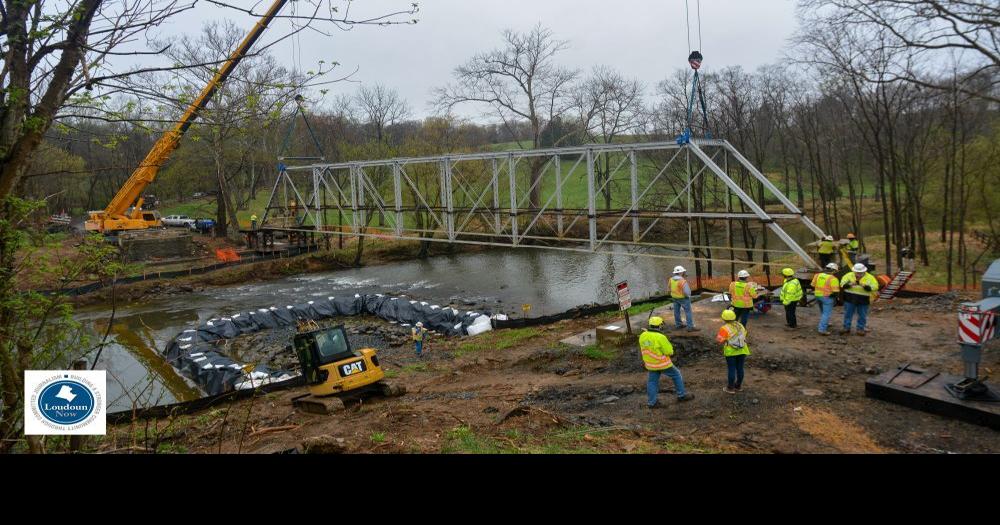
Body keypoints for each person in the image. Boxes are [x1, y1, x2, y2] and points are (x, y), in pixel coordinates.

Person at [640, 316, 694, 408]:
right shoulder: (661, 337)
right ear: (659, 326)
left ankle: (652, 403)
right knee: (676, 374)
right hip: (662, 364)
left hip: (650, 364)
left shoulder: (643, 335)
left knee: (652, 382)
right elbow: (669, 352)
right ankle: (681, 395)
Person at [717, 309, 751, 394]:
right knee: (740, 368)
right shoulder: (740, 325)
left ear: (723, 318)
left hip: (731, 351)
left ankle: (730, 388)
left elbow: (720, 340)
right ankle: (738, 386)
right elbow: (745, 334)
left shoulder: (724, 328)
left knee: (731, 369)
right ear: (734, 317)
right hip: (742, 349)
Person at [840, 263, 879, 336]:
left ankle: (860, 329)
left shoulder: (870, 277)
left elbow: (875, 287)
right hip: (850, 298)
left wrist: (866, 286)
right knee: (848, 314)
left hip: (863, 299)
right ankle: (846, 327)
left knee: (862, 315)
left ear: (864, 271)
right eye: (857, 273)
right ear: (854, 271)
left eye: (860, 273)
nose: (858, 274)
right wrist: (850, 284)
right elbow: (842, 284)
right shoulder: (848, 275)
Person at [811, 263, 841, 336]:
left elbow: (812, 285)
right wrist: (837, 299)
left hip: (818, 295)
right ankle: (822, 329)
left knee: (823, 312)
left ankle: (825, 323)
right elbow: (836, 291)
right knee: (826, 314)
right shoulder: (833, 279)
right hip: (827, 297)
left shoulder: (817, 275)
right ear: (834, 270)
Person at [669, 266, 699, 332]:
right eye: (683, 271)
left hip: (674, 298)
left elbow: (669, 288)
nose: (684, 272)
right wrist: (688, 296)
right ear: (681, 272)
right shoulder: (682, 281)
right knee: (688, 312)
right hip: (683, 298)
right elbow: (687, 292)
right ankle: (690, 327)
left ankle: (678, 325)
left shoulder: (671, 279)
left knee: (676, 312)